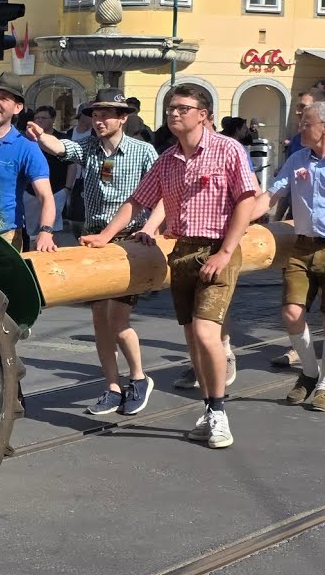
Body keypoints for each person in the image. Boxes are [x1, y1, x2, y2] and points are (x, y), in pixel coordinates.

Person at [84, 85, 258, 449]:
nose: (174, 113)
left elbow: (246, 200)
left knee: (207, 334)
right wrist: (105, 236)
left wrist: (225, 252)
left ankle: (219, 413)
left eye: (182, 108)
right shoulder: (168, 159)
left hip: (219, 248)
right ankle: (209, 409)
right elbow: (137, 201)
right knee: (193, 339)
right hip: (182, 251)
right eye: (170, 108)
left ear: (203, 115)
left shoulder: (227, 149)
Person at [27, 88, 163, 415]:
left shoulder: (143, 151)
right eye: (96, 115)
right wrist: (41, 135)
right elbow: (61, 147)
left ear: (123, 118)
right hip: (93, 240)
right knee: (101, 322)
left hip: (129, 241)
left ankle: (139, 377)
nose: (99, 121)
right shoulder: (89, 146)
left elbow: (163, 195)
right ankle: (112, 387)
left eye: (106, 116)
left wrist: (150, 228)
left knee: (118, 319)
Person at [250, 102, 325, 412]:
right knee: (291, 312)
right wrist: (239, 221)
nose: (299, 129)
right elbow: (270, 196)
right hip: (302, 246)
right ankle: (309, 371)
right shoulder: (297, 159)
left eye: (306, 124)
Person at [0, 74, 55, 252]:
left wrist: (45, 231)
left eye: (4, 98)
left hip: (5, 237)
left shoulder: (26, 147)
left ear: (17, 107)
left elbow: (45, 196)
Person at [23, 105, 75, 240]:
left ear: (53, 119)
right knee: (31, 231)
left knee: (51, 229)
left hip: (56, 190)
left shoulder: (62, 139)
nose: (39, 121)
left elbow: (72, 165)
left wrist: (67, 188)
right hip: (30, 191)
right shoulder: (27, 139)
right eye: (37, 118)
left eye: (43, 118)